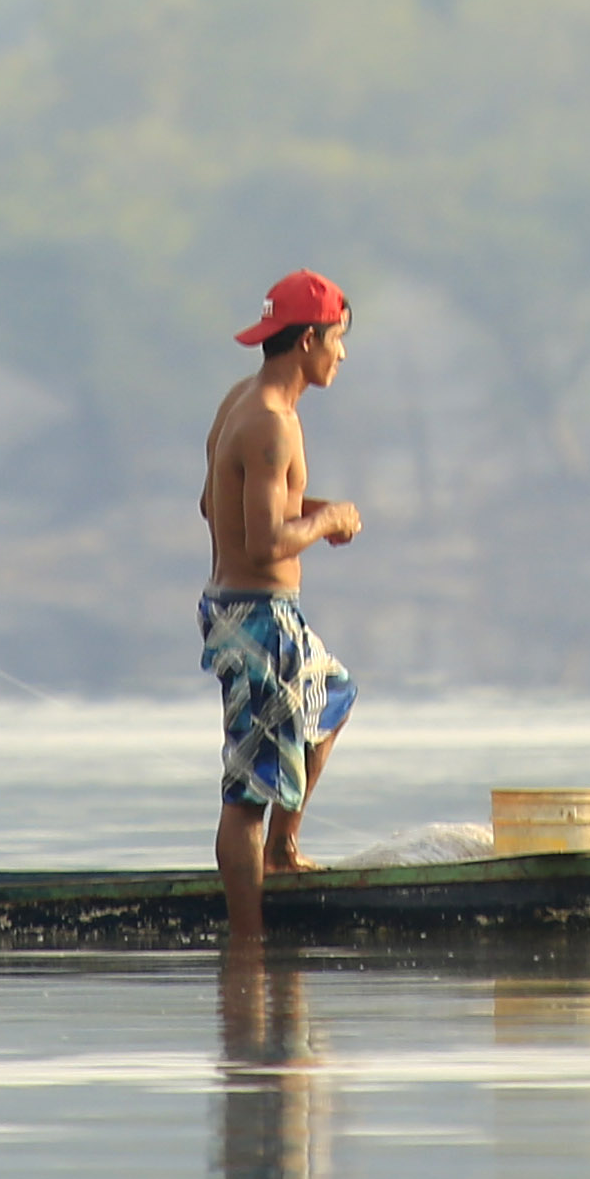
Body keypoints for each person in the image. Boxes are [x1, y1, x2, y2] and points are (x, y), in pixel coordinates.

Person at [197, 269, 368, 941]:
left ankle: (283, 852)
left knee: (334, 696)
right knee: (249, 790)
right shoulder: (271, 422)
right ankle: (249, 945)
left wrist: (315, 508)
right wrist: (324, 524)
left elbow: (216, 505)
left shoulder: (244, 401)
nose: (342, 354)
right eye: (337, 340)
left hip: (266, 616)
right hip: (256, 620)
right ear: (305, 341)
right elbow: (266, 542)